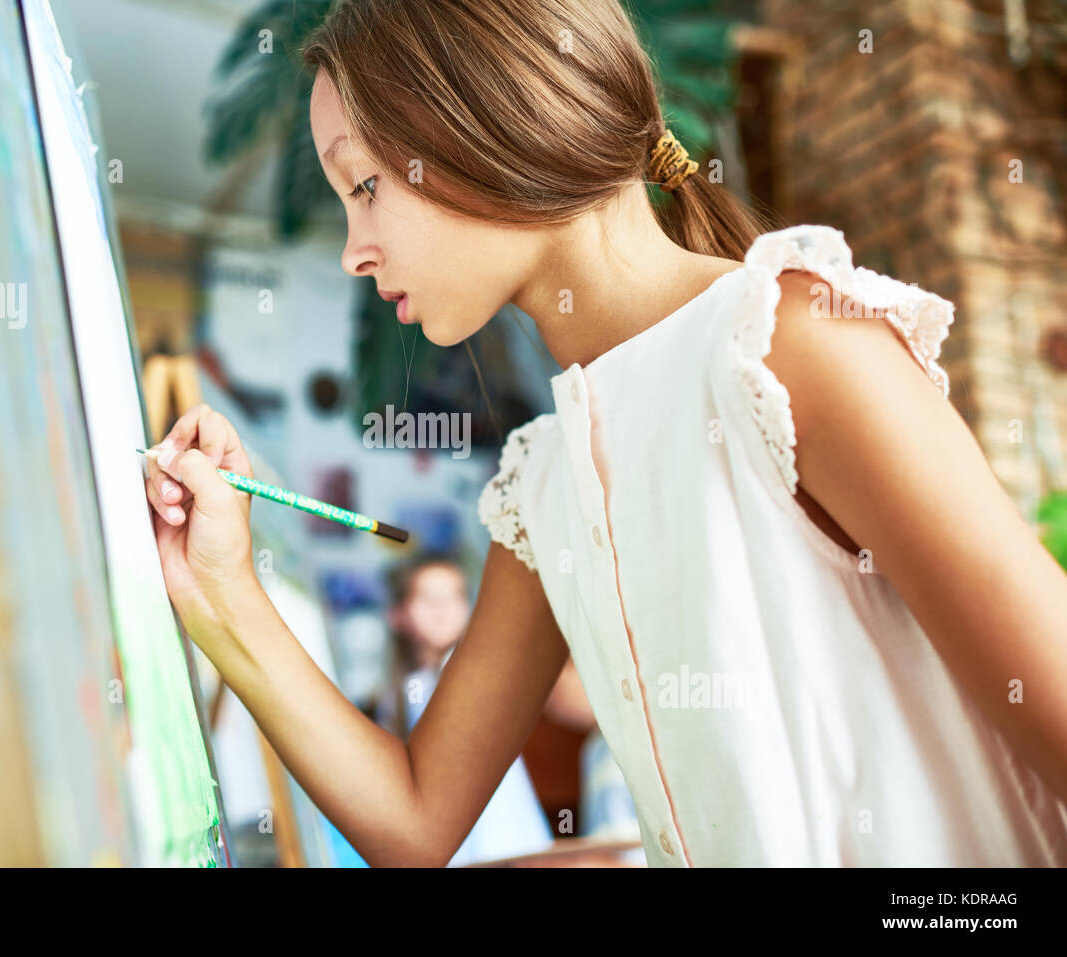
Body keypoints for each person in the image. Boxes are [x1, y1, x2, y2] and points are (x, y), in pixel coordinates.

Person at [142, 0, 1067, 866]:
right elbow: (416, 818)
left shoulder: (790, 347)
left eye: (368, 185)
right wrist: (219, 584)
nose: (353, 249)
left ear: (486, 125)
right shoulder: (544, 486)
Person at [375, 552, 554, 866]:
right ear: (397, 614)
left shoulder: (475, 674)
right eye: (428, 599)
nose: (443, 611)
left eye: (455, 597)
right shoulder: (399, 694)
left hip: (506, 844)